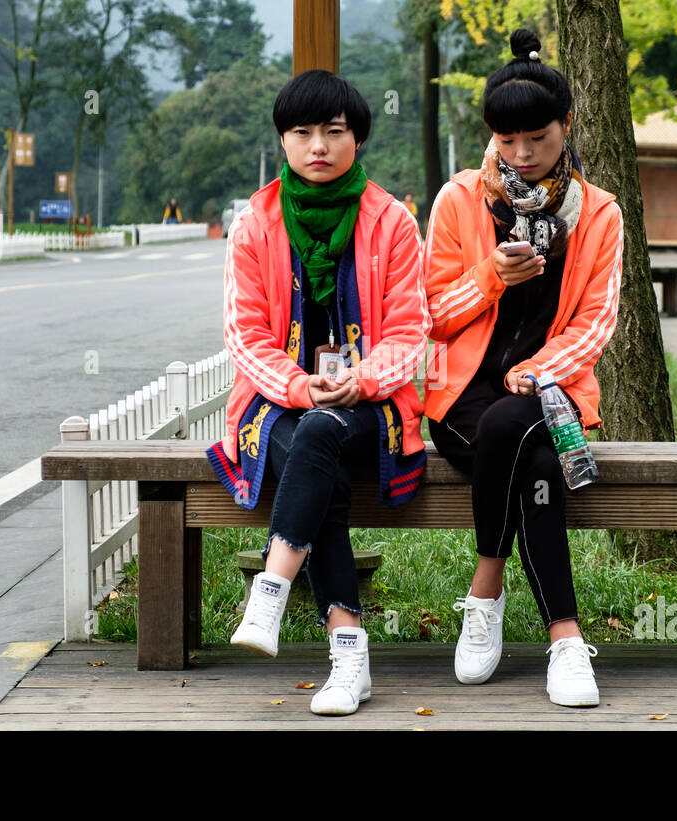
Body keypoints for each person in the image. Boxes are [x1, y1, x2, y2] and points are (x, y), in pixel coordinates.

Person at [206, 69, 429, 716]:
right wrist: (302, 385)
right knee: (316, 444)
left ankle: (271, 589)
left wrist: (359, 380)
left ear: (357, 138)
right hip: (276, 404)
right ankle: (349, 656)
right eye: (302, 133)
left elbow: (412, 330)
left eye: (334, 131)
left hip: (372, 404)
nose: (318, 146)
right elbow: (243, 334)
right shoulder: (256, 223)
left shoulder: (392, 222)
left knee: (324, 433)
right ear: (283, 142)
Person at [422, 29, 624, 707]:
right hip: (464, 397)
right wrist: (488, 277)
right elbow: (431, 315)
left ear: (567, 125)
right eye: (506, 141)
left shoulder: (598, 214)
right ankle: (564, 639)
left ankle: (486, 590)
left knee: (522, 429)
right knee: (533, 463)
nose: (522, 154)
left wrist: (540, 368)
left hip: (549, 392)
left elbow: (596, 324)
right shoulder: (459, 200)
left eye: (536, 138)